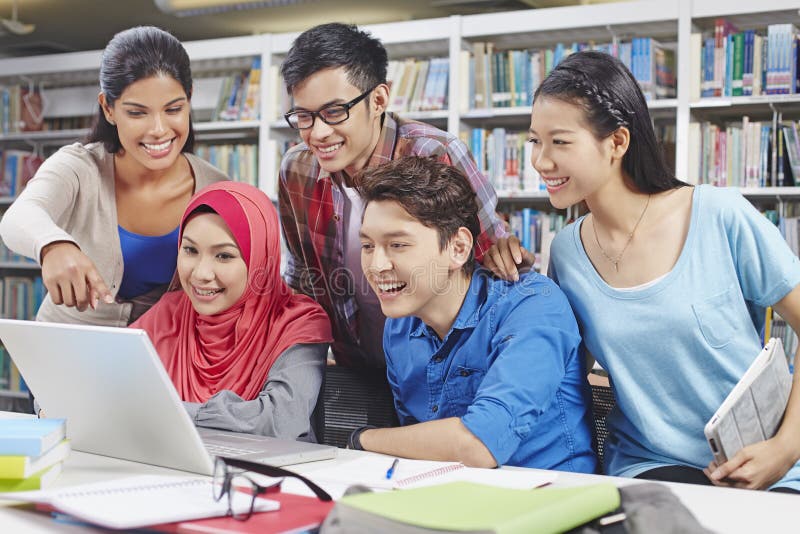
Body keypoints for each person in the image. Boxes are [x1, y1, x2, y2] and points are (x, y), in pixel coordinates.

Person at [485, 50, 800, 492]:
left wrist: (786, 448)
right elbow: (556, 365)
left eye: (559, 142)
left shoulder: (718, 214)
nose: (540, 161)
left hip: (767, 457)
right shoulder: (568, 252)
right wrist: (499, 271)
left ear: (617, 142)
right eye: (535, 141)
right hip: (651, 465)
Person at [278, 22, 507, 368]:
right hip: (354, 364)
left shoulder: (435, 154)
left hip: (439, 370)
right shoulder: (297, 170)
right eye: (304, 116)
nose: (319, 133)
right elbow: (301, 280)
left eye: (334, 112)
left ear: (378, 100)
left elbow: (493, 264)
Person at [349, 156, 595, 471]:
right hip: (456, 497)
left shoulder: (532, 305)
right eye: (368, 246)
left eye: (397, 245)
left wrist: (362, 439)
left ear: (458, 248)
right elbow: (418, 444)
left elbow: (479, 445)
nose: (377, 266)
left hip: (549, 500)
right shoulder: (400, 328)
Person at [0, 26, 228, 327]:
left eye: (173, 109)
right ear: (108, 108)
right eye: (137, 113)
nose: (158, 129)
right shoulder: (80, 167)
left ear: (189, 99)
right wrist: (52, 246)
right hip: (65, 354)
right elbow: (19, 217)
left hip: (166, 357)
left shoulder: (218, 189)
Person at [131, 181, 333, 440]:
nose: (201, 274)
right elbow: (106, 388)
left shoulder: (298, 322)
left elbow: (280, 421)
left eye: (224, 256)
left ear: (260, 257)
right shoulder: (169, 314)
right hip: (175, 469)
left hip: (267, 475)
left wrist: (167, 411)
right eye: (190, 250)